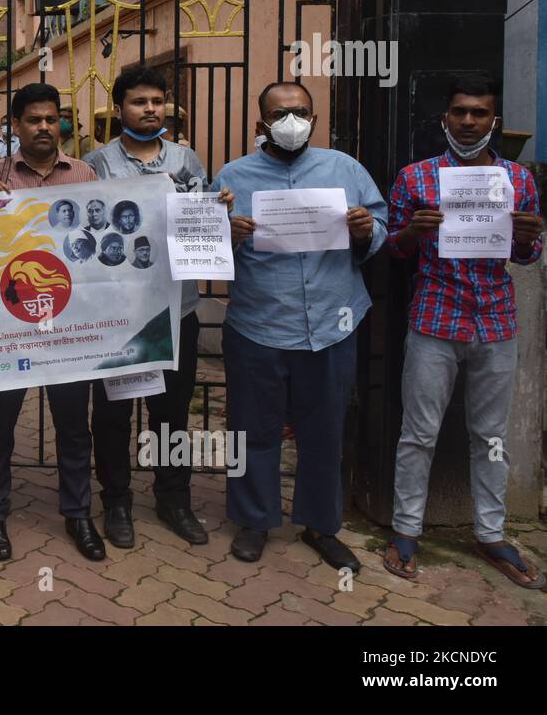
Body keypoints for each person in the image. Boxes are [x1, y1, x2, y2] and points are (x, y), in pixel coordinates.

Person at [214, 80, 386, 568]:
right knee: (253, 429)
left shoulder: (345, 169)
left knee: (324, 430)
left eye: (302, 112)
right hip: (258, 323)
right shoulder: (232, 176)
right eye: (280, 114)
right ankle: (255, 520)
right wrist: (227, 234)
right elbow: (203, 245)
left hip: (333, 323)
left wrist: (365, 229)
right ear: (260, 125)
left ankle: (321, 526)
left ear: (314, 119)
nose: (292, 122)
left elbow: (381, 224)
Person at [384, 75, 544, 588]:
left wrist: (526, 237)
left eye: (479, 113)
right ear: (445, 118)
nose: (469, 122)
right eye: (460, 112)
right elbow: (393, 249)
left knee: (491, 436)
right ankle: (406, 531)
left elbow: (527, 254)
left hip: (496, 321)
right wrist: (414, 230)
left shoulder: (517, 179)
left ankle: (491, 533)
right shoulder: (417, 177)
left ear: (493, 120)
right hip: (434, 319)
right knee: (418, 433)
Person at [84, 65, 232, 547]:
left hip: (176, 309)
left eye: (157, 102)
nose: (150, 110)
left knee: (170, 411)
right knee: (112, 413)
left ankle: (174, 500)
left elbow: (197, 223)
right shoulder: (99, 162)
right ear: (119, 107)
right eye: (138, 102)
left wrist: (216, 209)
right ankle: (117, 502)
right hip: (117, 315)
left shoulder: (185, 159)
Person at [0, 82, 106, 563]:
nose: (46, 127)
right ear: (16, 126)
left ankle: (78, 514)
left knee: (73, 425)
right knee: (0, 423)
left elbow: (97, 241)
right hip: (11, 323)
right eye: (34, 120)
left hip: (69, 324)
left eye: (53, 119)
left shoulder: (86, 174)